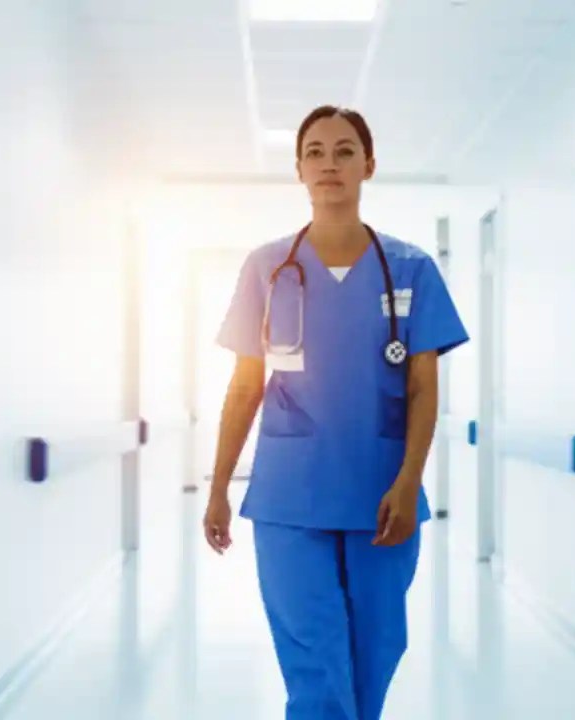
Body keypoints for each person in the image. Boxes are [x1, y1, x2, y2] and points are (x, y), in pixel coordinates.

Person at [202, 104, 469, 720]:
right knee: (317, 671)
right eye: (316, 152)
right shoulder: (267, 268)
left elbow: (424, 388)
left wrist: (408, 482)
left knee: (373, 658)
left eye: (345, 151)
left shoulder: (410, 268)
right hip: (289, 498)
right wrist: (218, 485)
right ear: (298, 169)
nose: (330, 164)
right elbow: (246, 386)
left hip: (382, 495)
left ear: (368, 166)